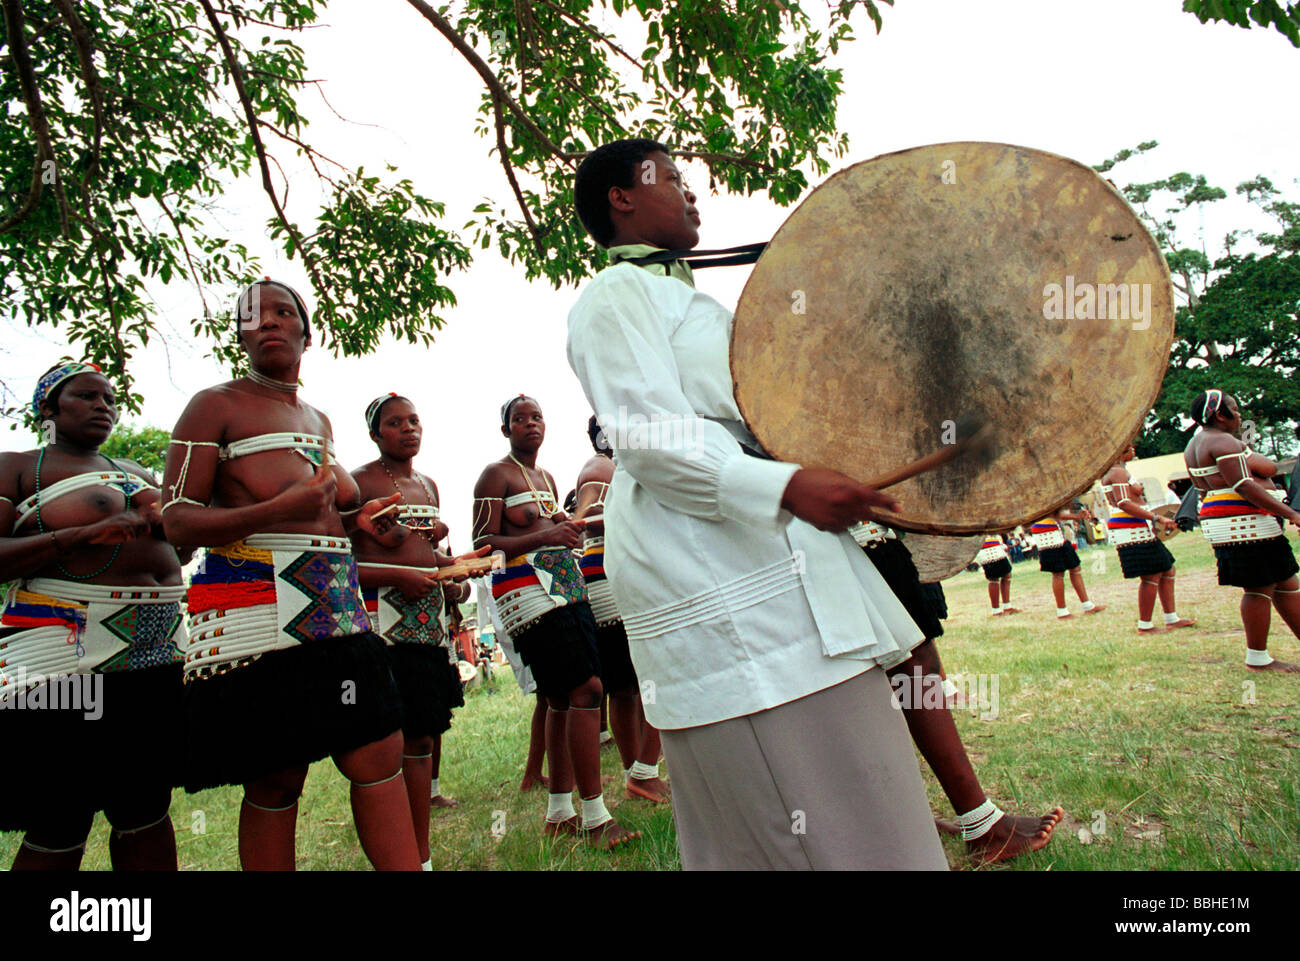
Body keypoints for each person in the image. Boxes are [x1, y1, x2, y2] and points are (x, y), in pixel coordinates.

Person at [566, 138, 947, 869]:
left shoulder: (690, 299)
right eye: (674, 177)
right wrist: (786, 486)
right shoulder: (614, 296)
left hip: (779, 560)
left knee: (869, 815)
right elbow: (648, 437)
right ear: (622, 195)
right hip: (717, 577)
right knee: (794, 826)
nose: (691, 192)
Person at [161, 280, 420, 870]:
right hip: (253, 608)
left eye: (284, 311)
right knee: (277, 776)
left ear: (309, 331)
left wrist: (361, 522)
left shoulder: (318, 418)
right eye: (255, 315)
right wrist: (277, 510)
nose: (270, 322)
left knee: (379, 746)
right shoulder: (213, 405)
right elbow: (175, 521)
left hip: (336, 603)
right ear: (241, 335)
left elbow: (325, 515)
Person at [0, 361, 187, 870]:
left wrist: (166, 522)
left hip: (159, 647)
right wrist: (79, 535)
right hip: (60, 649)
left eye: (109, 399)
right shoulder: (16, 466)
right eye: (87, 396)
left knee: (145, 804)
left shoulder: (136, 470)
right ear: (48, 407)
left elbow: (183, 547)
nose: (103, 406)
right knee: (60, 808)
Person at [473, 394, 638, 848]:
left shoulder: (545, 477)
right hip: (526, 596)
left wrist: (560, 523)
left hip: (563, 586)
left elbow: (536, 531)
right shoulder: (496, 474)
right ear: (505, 428)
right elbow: (484, 542)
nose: (531, 424)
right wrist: (548, 533)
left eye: (537, 416)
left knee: (561, 699)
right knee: (588, 690)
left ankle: (559, 812)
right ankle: (595, 817)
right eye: (520, 418)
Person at [850, 522, 1062, 862]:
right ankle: (974, 822)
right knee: (900, 668)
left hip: (866, 534)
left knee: (915, 658)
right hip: (828, 537)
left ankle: (948, 819)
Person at [351, 393, 480, 870]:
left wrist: (456, 571)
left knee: (423, 739)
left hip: (428, 630)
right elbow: (341, 562)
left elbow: (426, 557)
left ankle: (421, 859)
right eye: (395, 423)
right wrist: (397, 578)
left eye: (414, 420)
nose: (408, 429)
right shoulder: (359, 482)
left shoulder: (428, 485)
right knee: (389, 746)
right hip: (380, 629)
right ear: (375, 433)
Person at [574, 415, 670, 803]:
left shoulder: (617, 465)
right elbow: (587, 520)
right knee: (649, 679)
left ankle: (639, 772)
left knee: (628, 687)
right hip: (613, 578)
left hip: (609, 575)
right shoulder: (602, 465)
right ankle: (643, 770)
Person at [1184, 390, 1300, 673]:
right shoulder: (1223, 441)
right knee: (1260, 588)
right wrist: (1292, 514)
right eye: (1234, 410)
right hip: (1244, 523)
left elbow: (1205, 488)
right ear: (1220, 415)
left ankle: (1260, 657)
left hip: (1225, 520)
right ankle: (1258, 659)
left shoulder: (1193, 446)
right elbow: (1244, 485)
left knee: (1286, 582)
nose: (1239, 415)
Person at [1101, 444, 1196, 633]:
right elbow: (1124, 503)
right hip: (1130, 527)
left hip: (1136, 525)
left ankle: (1171, 618)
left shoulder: (1117, 471)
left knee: (1167, 569)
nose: (1134, 449)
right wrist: (1156, 517)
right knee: (1151, 574)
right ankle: (1145, 625)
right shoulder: (1117, 472)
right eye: (1129, 447)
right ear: (1120, 452)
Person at [1030, 508, 1107, 619]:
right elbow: (1053, 513)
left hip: (1054, 531)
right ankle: (1062, 612)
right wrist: (1076, 516)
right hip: (1047, 532)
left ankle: (1087, 606)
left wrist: (1076, 516)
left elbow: (1055, 514)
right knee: (1058, 573)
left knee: (1075, 567)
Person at [975, 534, 1018, 615]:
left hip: (994, 543)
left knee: (1006, 574)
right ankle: (996, 610)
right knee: (993, 578)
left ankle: (1007, 607)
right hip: (984, 546)